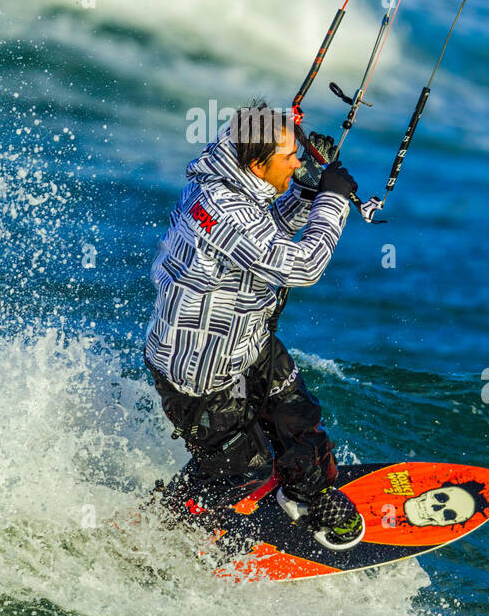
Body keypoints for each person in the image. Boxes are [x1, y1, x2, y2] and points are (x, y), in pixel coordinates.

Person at [145, 102, 365, 550]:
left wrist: (304, 191)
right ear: (257, 163)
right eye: (290, 158)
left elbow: (265, 234)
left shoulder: (231, 179)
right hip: (199, 375)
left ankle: (306, 494)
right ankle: (159, 531)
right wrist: (332, 202)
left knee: (297, 416)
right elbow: (301, 265)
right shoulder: (222, 210)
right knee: (241, 468)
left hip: (243, 341)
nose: (300, 161)